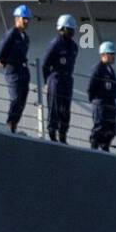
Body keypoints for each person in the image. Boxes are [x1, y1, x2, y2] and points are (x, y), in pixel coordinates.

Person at [41, 14, 79, 143]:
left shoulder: (74, 46)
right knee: (54, 107)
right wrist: (47, 81)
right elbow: (45, 65)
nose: (72, 31)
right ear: (62, 29)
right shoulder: (55, 44)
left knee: (65, 109)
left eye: (73, 29)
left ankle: (63, 134)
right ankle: (52, 133)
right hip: (56, 78)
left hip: (68, 79)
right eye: (70, 29)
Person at [0, 4, 30, 133]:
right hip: (13, 70)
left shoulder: (25, 37)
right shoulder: (12, 34)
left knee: (22, 99)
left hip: (23, 70)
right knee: (15, 97)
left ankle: (14, 123)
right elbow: (2, 50)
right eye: (24, 18)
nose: (26, 22)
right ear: (17, 19)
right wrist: (3, 61)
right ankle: (10, 123)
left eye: (27, 19)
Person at [87, 41, 116, 151]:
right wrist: (95, 102)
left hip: (110, 103)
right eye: (111, 54)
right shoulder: (98, 68)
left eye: (114, 54)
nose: (114, 56)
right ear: (104, 54)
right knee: (99, 127)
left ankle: (105, 147)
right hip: (101, 103)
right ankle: (94, 149)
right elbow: (91, 87)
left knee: (112, 129)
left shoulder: (110, 70)